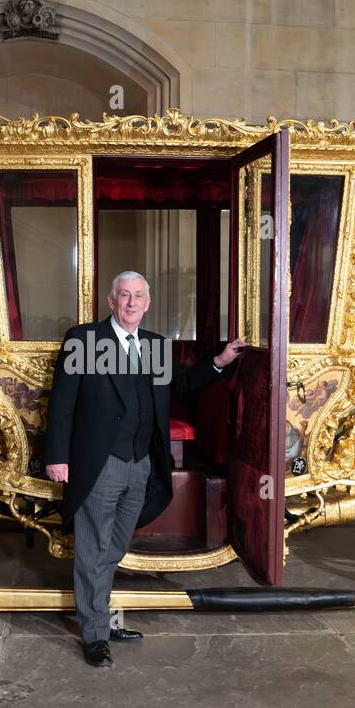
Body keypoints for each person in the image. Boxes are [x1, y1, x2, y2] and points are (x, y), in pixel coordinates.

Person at [44, 272, 246, 667]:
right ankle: (95, 633)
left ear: (148, 303)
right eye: (124, 295)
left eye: (138, 296)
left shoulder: (155, 346)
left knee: (115, 547)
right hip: (98, 463)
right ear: (111, 300)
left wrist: (220, 362)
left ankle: (98, 616)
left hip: (141, 464)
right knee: (93, 548)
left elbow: (184, 383)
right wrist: (57, 457)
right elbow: (62, 403)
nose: (131, 302)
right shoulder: (83, 340)